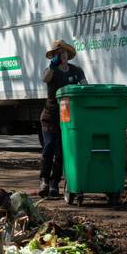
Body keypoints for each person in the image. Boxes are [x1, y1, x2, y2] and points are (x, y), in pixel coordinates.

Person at [38, 39, 86, 197]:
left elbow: (85, 87)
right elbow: (45, 78)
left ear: (68, 55)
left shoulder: (76, 71)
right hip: (50, 116)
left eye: (63, 52)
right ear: (54, 57)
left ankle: (54, 183)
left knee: (61, 150)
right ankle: (44, 180)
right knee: (49, 146)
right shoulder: (51, 70)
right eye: (58, 53)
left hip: (67, 118)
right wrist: (52, 66)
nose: (62, 55)